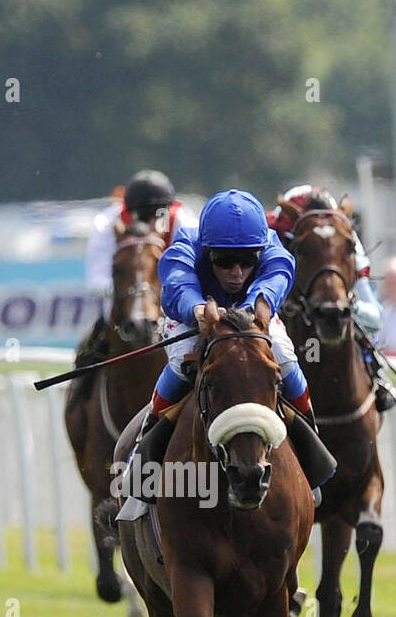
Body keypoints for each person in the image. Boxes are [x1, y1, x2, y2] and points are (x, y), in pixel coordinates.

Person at [128, 188, 334, 499]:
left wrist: (254, 305)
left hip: (252, 319)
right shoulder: (186, 242)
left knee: (286, 360)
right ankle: (143, 455)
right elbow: (177, 281)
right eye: (224, 262)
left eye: (246, 261)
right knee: (182, 361)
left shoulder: (271, 246)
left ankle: (309, 451)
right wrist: (197, 308)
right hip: (194, 318)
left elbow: (278, 273)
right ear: (207, 251)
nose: (236, 272)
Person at [70, 170, 197, 402]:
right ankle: (79, 396)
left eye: (157, 214)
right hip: (121, 303)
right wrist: (135, 291)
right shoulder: (106, 224)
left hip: (169, 301)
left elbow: (191, 272)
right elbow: (97, 278)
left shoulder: (184, 221)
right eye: (144, 215)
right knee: (88, 348)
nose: (150, 222)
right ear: (130, 212)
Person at [268, 184, 396, 411]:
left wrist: (349, 303)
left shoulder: (347, 240)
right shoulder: (274, 236)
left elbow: (376, 319)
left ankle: (376, 373)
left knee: (364, 331)